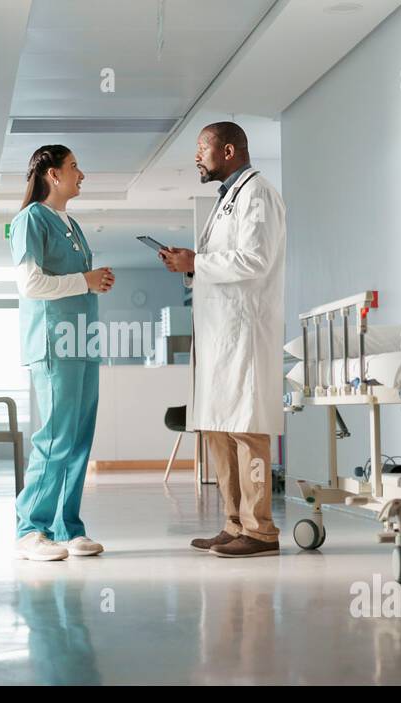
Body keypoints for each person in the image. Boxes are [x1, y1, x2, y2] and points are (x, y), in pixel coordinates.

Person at [159, 121, 287, 558]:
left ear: (228, 151)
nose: (197, 157)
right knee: (216, 427)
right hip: (219, 335)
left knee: (246, 429)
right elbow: (221, 262)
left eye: (202, 148)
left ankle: (261, 530)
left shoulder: (257, 193)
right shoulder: (228, 198)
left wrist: (198, 262)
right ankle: (234, 524)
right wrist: (192, 266)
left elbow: (257, 258)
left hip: (244, 331)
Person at [10, 145, 115, 561]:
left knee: (78, 437)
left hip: (83, 342)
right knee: (55, 436)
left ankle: (68, 527)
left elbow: (76, 279)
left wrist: (93, 281)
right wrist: (84, 280)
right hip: (54, 341)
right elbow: (30, 284)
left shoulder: (69, 222)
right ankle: (30, 529)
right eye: (74, 167)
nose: (81, 174)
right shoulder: (29, 220)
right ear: (53, 175)